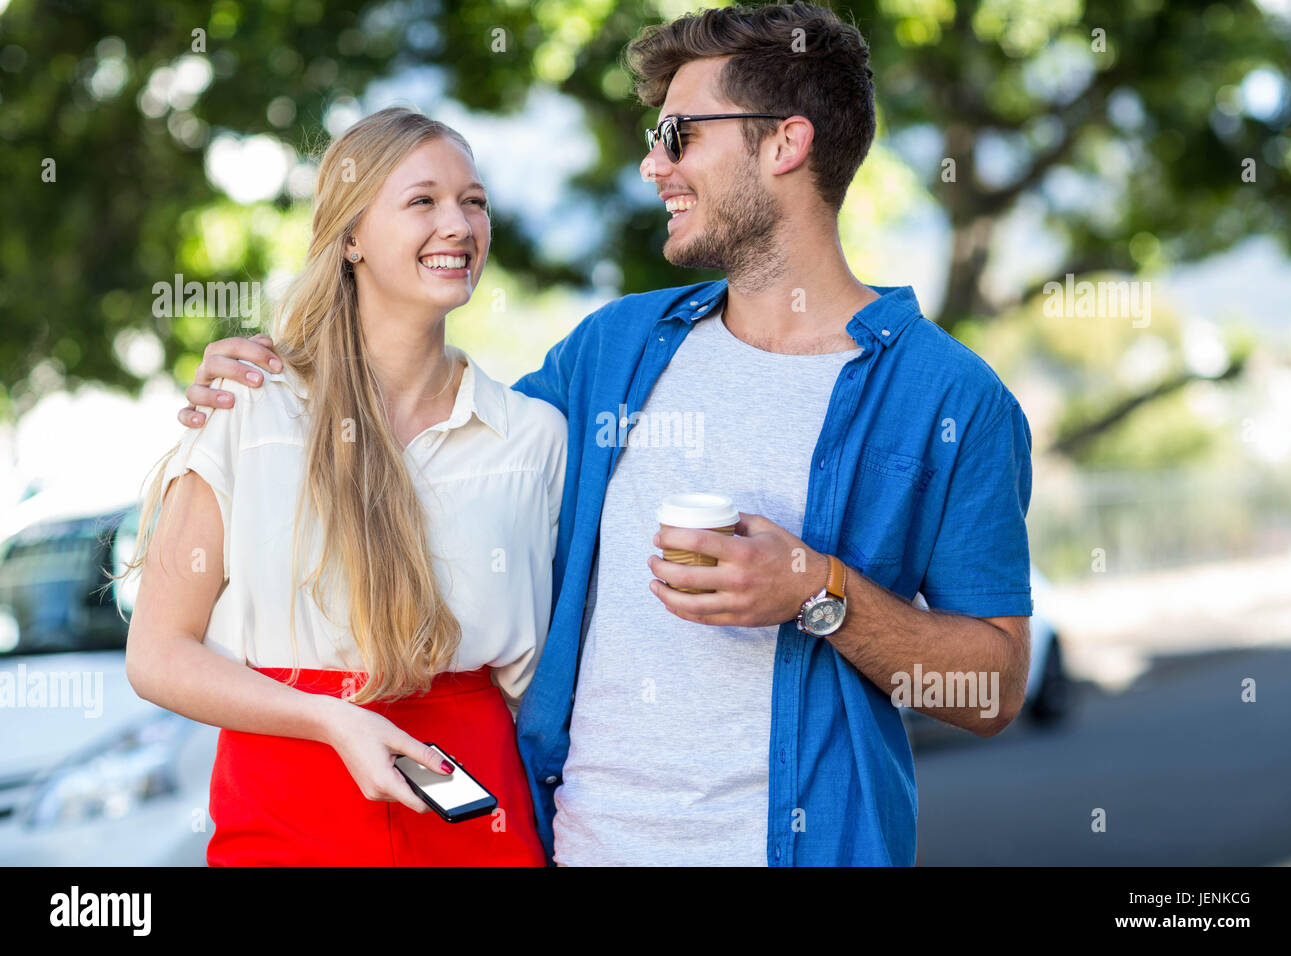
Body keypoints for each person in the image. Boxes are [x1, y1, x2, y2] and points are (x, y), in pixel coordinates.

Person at [179, 2, 1032, 867]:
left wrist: (818, 590)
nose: (651, 163)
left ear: (785, 144)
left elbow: (992, 690)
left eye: (678, 134)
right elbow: (433, 444)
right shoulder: (613, 351)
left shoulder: (950, 398)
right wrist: (286, 377)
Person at [127, 107, 564, 866]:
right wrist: (332, 720)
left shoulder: (533, 436)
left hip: (472, 807)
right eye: (423, 201)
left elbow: (544, 681)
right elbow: (159, 654)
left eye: (475, 201)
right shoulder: (248, 407)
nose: (458, 224)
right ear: (352, 238)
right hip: (289, 801)